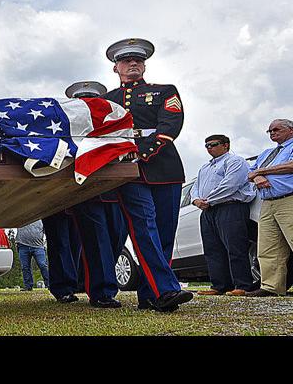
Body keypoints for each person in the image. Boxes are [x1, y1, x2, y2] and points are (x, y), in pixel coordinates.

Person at [102, 38, 193, 311]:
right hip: (127, 171)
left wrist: (142, 151)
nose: (133, 64)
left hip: (163, 166)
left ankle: (148, 294)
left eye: (138, 60)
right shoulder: (106, 101)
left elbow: (170, 125)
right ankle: (165, 290)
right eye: (126, 61)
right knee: (145, 228)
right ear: (115, 68)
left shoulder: (165, 90)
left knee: (164, 232)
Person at [64, 81, 129, 308]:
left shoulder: (113, 120)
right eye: (83, 100)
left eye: (92, 100)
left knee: (116, 239)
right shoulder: (69, 123)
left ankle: (99, 283)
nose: (88, 104)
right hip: (86, 190)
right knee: (96, 241)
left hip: (114, 189)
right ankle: (103, 292)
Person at [245, 119, 293, 297]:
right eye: (269, 131)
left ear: (291, 130)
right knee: (267, 246)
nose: (272, 133)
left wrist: (261, 172)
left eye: (276, 129)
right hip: (267, 203)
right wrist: (257, 176)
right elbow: (251, 172)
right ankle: (271, 286)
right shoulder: (266, 153)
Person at [190, 135, 257, 296]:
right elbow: (195, 188)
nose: (209, 148)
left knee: (235, 246)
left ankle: (243, 285)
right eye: (206, 145)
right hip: (208, 211)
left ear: (226, 145)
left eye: (213, 144)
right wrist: (196, 200)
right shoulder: (204, 168)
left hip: (230, 207)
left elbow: (231, 184)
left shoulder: (235, 161)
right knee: (212, 249)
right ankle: (219, 285)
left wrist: (209, 199)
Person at [15, 220, 49, 291]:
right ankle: (28, 286)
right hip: (22, 245)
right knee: (25, 267)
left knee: (42, 265)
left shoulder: (41, 218)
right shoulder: (20, 216)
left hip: (38, 246)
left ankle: (49, 284)